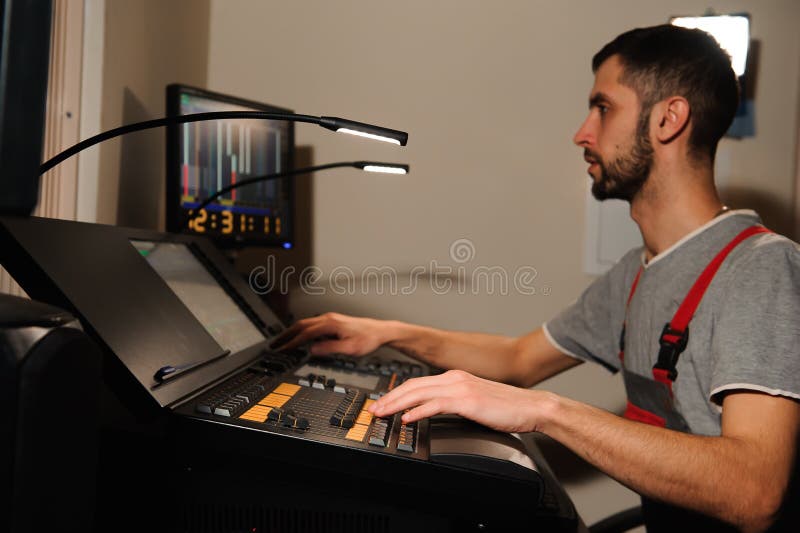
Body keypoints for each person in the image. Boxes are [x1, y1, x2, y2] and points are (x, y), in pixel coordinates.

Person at [274, 25, 799, 532]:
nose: (582, 133)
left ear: (668, 119)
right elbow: (519, 360)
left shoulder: (760, 268)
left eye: (603, 108)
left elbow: (753, 492)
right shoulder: (637, 274)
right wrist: (387, 332)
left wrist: (545, 412)